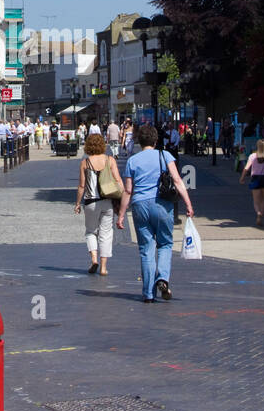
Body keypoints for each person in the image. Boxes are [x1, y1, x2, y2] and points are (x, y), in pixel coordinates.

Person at [116, 124, 194, 303]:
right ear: (156, 140)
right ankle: (163, 278)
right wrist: (188, 204)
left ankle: (148, 294)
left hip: (139, 205)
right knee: (165, 243)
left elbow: (128, 190)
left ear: (138, 141)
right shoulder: (164, 155)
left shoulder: (132, 161)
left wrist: (121, 215)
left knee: (146, 250)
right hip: (162, 204)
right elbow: (177, 180)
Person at [76, 133, 120, 276]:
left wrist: (77, 203)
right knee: (106, 233)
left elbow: (82, 186)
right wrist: (122, 198)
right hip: (107, 200)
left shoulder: (85, 163)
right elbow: (118, 181)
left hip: (90, 201)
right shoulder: (110, 160)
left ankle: (94, 259)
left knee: (90, 231)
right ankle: (103, 267)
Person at [240, 138, 264, 227]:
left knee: (256, 200)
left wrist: (242, 178)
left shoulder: (252, 156)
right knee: (263, 199)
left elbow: (246, 168)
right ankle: (261, 216)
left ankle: (258, 212)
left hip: (255, 178)